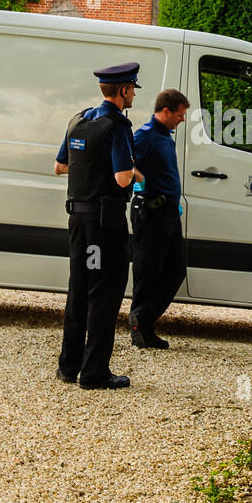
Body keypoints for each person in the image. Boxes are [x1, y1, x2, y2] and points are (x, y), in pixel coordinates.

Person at [52, 62, 143, 390]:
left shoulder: (79, 119)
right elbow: (121, 178)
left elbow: (60, 166)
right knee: (104, 293)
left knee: (79, 289)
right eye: (132, 88)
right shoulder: (117, 126)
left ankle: (69, 366)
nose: (133, 94)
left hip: (79, 221)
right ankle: (94, 373)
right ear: (122, 91)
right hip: (105, 227)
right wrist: (135, 170)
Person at [129, 89, 190, 349]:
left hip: (167, 213)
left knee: (175, 270)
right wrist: (141, 183)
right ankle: (141, 328)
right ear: (165, 111)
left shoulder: (165, 136)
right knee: (148, 270)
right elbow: (123, 162)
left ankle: (143, 318)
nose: (182, 119)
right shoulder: (145, 135)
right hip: (151, 213)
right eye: (179, 114)